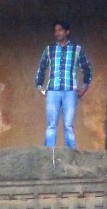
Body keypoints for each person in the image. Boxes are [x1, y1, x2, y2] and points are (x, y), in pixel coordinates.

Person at [34, 20, 93, 149]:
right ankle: (49, 154)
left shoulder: (77, 49)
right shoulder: (49, 50)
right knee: (51, 124)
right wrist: (39, 87)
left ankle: (70, 153)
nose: (57, 33)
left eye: (60, 30)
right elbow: (41, 68)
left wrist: (84, 88)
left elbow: (87, 69)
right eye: (55, 31)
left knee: (68, 125)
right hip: (53, 91)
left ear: (67, 32)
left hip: (70, 91)